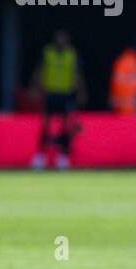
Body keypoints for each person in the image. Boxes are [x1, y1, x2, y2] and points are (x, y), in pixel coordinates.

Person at [32, 29, 83, 169]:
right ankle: (40, 157)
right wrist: (37, 88)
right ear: (55, 38)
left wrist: (80, 92)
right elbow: (39, 70)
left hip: (66, 94)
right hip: (51, 93)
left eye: (63, 37)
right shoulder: (47, 52)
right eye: (59, 37)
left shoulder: (71, 54)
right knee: (46, 126)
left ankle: (63, 157)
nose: (61, 40)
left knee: (66, 127)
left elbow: (77, 74)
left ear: (67, 39)